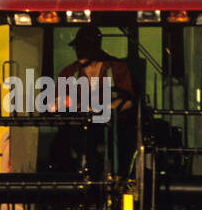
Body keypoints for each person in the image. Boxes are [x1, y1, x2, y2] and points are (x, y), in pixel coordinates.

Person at [47, 25, 137, 174]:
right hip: (77, 131)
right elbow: (54, 104)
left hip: (112, 131)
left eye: (85, 48)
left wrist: (101, 110)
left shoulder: (117, 68)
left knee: (124, 144)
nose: (80, 52)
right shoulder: (69, 73)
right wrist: (63, 104)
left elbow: (128, 100)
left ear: (96, 47)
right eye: (78, 48)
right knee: (59, 146)